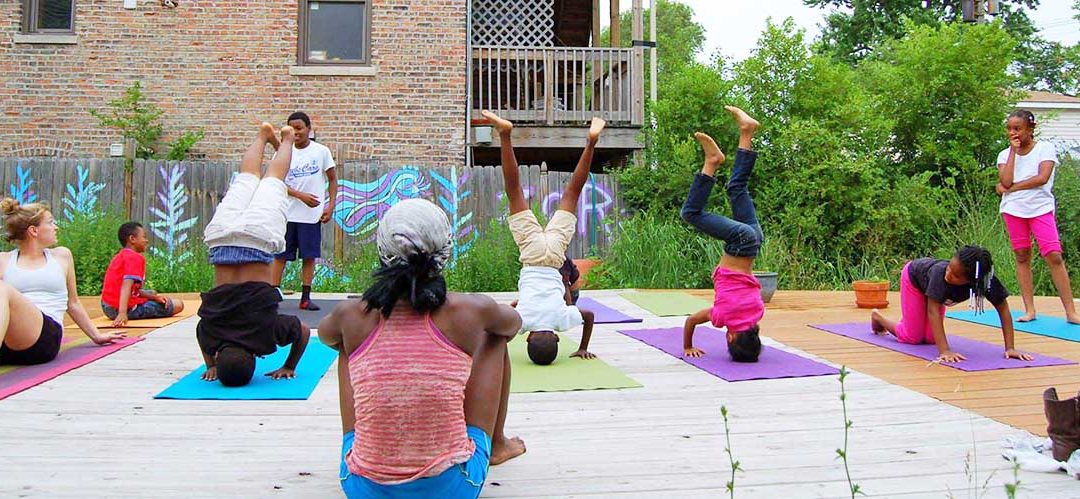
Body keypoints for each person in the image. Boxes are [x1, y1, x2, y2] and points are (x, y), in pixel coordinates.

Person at [318, 198, 526, 498]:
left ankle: (374, 457)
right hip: (452, 489)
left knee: (346, 346)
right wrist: (488, 315)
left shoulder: (351, 314)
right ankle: (497, 444)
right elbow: (512, 324)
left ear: (382, 252)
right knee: (494, 335)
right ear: (444, 253)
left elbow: (327, 336)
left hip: (362, 488)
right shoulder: (471, 309)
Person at [196, 123, 310, 387]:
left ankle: (287, 139)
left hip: (257, 241)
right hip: (221, 243)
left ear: (254, 359)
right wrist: (211, 365)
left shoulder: (265, 335)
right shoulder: (212, 334)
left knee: (273, 182)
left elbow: (302, 332)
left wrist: (288, 366)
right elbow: (201, 333)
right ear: (220, 353)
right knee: (246, 178)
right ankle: (262, 135)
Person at [483, 110, 598, 364]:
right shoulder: (521, 323)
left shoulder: (560, 320)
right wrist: (515, 307)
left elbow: (588, 316)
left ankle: (591, 142)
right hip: (533, 257)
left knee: (572, 193)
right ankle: (505, 136)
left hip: (555, 255)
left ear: (557, 338)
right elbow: (499, 324)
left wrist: (583, 347)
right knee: (514, 192)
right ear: (526, 339)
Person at [680, 106, 765, 362]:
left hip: (754, 240)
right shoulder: (723, 317)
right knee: (691, 213)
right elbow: (691, 321)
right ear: (729, 337)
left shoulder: (757, 314)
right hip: (740, 242)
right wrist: (687, 346)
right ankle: (711, 162)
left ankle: (747, 132)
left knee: (736, 188)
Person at [0, 200, 125, 365]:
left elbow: (73, 303)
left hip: (43, 340)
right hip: (7, 342)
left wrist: (97, 336)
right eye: (51, 222)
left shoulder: (61, 256)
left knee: (3, 289)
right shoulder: (4, 259)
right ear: (34, 231)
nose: (56, 227)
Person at [870, 245, 1035, 363]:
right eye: (949, 267)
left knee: (929, 338)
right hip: (914, 278)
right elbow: (933, 311)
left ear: (972, 281)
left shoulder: (986, 282)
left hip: (936, 292)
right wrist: (945, 351)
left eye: (956, 275)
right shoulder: (939, 274)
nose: (949, 275)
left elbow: (1003, 309)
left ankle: (909, 322)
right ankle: (878, 317)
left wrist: (1010, 348)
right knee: (912, 337)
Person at [995, 109, 1079, 324]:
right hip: (1014, 209)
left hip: (1040, 207)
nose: (1013, 133)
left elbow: (1042, 178)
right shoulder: (1005, 155)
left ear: (1030, 129)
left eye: (1018, 129)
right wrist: (1013, 153)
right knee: (1022, 255)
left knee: (1053, 255)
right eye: (1010, 129)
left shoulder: (1044, 149)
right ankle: (1029, 309)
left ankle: (1070, 312)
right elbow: (1004, 181)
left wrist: (1012, 188)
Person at [271, 111, 338, 311]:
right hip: (288, 213)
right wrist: (301, 196)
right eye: (292, 129)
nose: (296, 132)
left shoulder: (321, 152)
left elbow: (333, 179)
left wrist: (330, 206)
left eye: (299, 128)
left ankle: (306, 297)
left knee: (309, 256)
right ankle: (272, 294)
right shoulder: (283, 152)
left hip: (311, 216)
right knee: (281, 255)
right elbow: (276, 181)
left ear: (309, 129)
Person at [100, 221, 185, 327]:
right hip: (118, 308)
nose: (146, 240)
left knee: (152, 293)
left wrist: (154, 298)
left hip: (107, 305)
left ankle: (139, 304)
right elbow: (126, 286)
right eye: (144, 237)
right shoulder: (134, 258)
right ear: (132, 239)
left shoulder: (121, 255)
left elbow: (132, 289)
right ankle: (125, 311)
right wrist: (122, 313)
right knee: (178, 305)